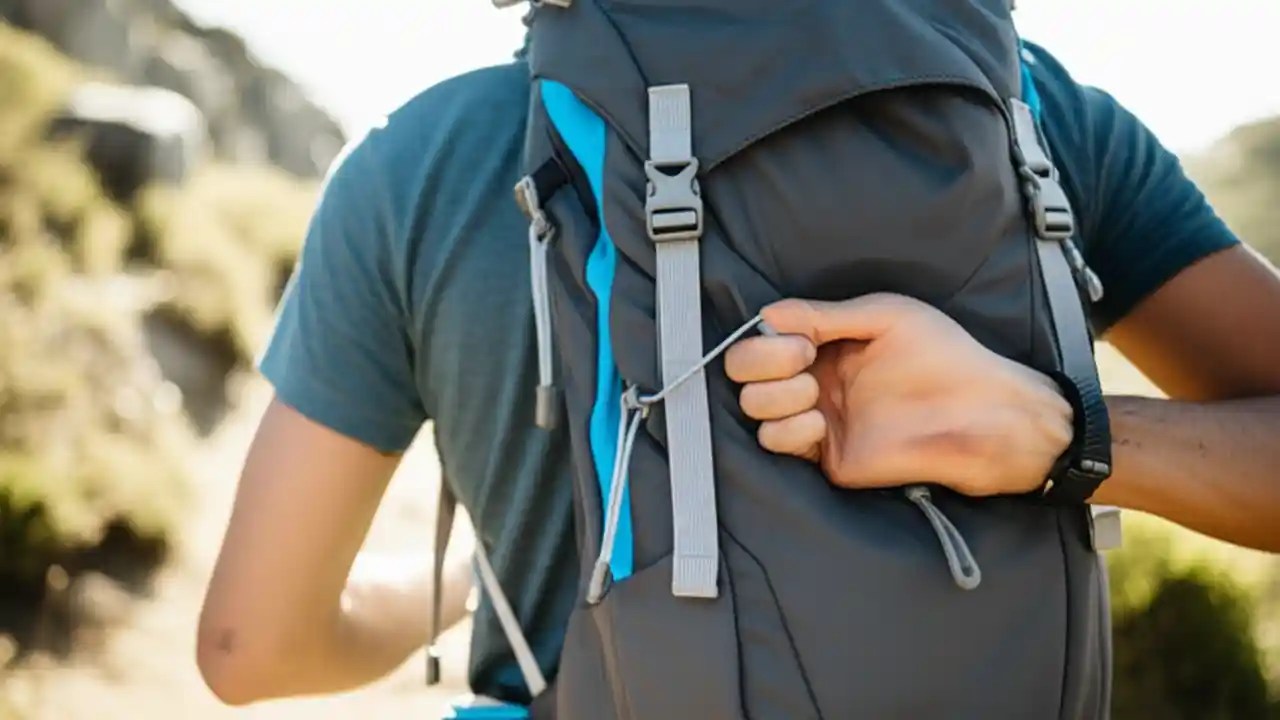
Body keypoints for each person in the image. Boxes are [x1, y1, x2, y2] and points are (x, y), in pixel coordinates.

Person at [195, 37, 1280, 710]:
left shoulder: (427, 160)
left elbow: (251, 648)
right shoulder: (1034, 120)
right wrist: (1066, 433)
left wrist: (463, 592)